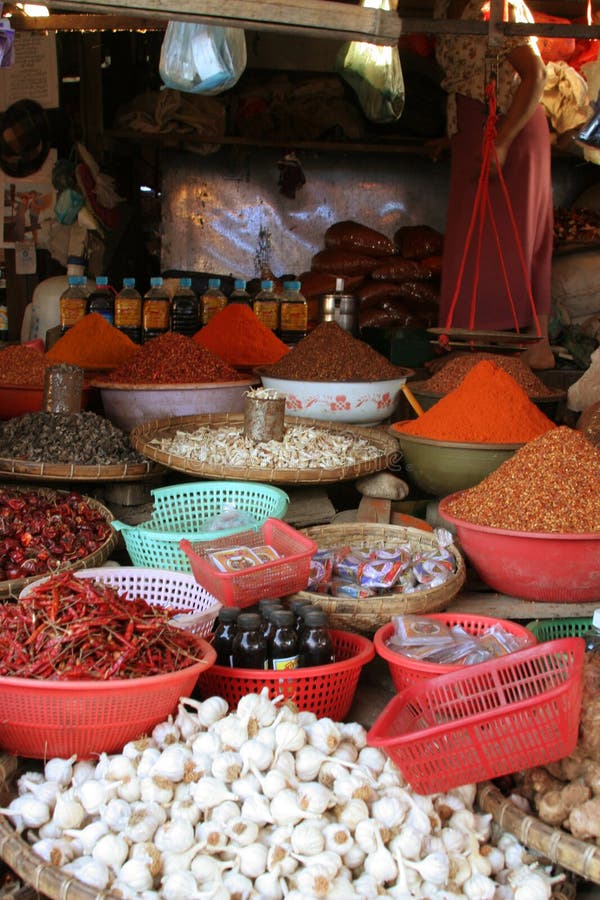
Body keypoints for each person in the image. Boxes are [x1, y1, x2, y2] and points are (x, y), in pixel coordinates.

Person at [432, 0, 555, 370]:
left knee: (521, 239)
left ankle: (537, 346)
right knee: (472, 241)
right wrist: (454, 136)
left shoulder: (498, 7)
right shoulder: (443, 7)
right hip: (473, 132)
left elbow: (535, 75)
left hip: (509, 130)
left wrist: (502, 142)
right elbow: (464, 80)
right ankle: (477, 347)